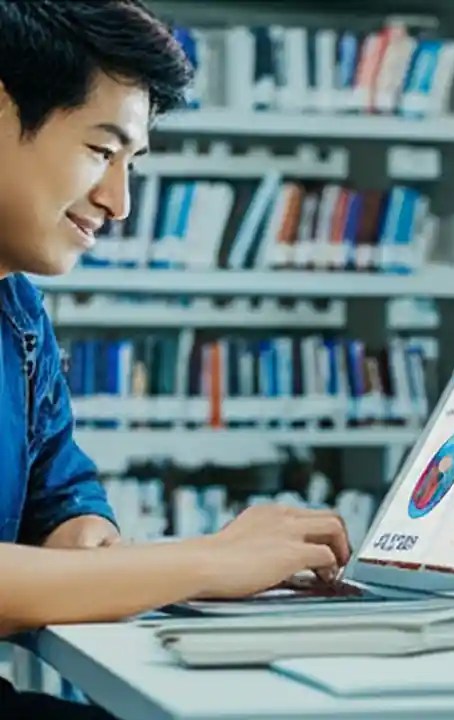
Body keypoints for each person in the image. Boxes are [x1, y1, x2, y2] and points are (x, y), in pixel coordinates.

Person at [0, 2, 350, 716]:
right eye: (102, 151)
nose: (120, 202)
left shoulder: (20, 315)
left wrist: (87, 548)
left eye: (132, 163)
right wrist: (210, 561)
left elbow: (61, 502)